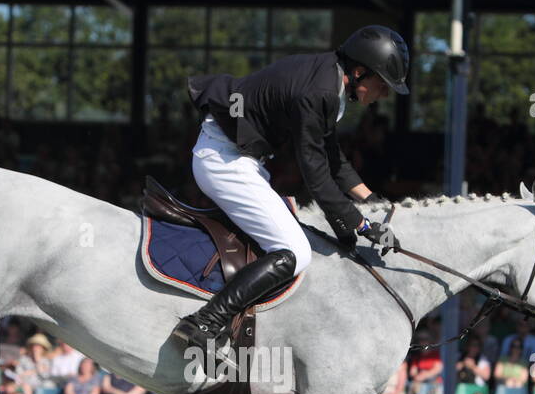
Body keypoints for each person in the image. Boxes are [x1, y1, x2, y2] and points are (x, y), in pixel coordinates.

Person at [171, 26, 410, 352]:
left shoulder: (329, 81)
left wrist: (370, 199)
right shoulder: (319, 92)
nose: (383, 95)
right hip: (224, 162)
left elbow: (332, 157)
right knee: (295, 252)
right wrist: (362, 224)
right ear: (358, 72)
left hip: (243, 160)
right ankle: (205, 321)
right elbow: (317, 178)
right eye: (382, 85)